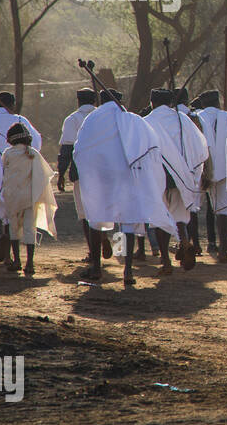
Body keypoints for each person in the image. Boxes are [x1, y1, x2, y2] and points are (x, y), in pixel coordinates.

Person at [73, 88, 178, 286]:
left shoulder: (93, 120)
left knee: (96, 217)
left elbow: (80, 149)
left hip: (101, 176)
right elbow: (150, 146)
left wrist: (88, 171)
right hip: (126, 175)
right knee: (127, 221)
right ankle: (127, 270)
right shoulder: (131, 119)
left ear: (101, 101)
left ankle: (96, 267)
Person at [146, 88, 210, 274]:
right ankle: (183, 240)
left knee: (160, 217)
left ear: (152, 103)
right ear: (170, 103)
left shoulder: (147, 121)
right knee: (180, 216)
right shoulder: (183, 119)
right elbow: (200, 145)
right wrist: (192, 169)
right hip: (182, 175)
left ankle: (166, 262)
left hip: (159, 175)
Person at [0, 92, 42, 263]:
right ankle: (27, 262)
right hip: (23, 180)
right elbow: (37, 143)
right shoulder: (20, 120)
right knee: (24, 222)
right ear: (13, 104)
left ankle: (2, 236)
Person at [0, 122, 56, 277]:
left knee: (13, 228)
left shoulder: (8, 153)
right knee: (30, 228)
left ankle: (16, 260)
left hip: (12, 197)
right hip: (30, 197)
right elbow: (44, 175)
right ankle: (30, 263)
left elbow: (3, 173)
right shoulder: (33, 153)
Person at [193, 90, 227, 261]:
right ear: (218, 102)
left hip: (202, 168)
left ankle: (194, 246)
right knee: (223, 208)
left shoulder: (196, 116)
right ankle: (223, 249)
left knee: (193, 206)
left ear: (203, 103)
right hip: (224, 169)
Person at [58, 88, 99, 262]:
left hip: (81, 171)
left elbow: (67, 148)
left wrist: (61, 173)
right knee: (100, 209)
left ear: (78, 101)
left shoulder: (72, 119)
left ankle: (93, 251)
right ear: (95, 101)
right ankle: (102, 238)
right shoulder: (102, 117)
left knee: (84, 213)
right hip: (103, 171)